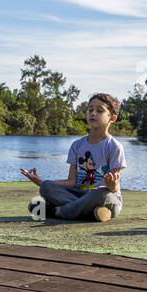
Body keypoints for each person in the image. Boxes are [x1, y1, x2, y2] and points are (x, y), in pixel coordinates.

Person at [21, 93, 125, 222]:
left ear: (112, 118)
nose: (93, 113)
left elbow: (113, 188)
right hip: (79, 194)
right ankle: (92, 213)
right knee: (46, 187)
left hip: (106, 198)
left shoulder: (114, 147)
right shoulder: (77, 145)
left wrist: (112, 184)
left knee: (100, 193)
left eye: (99, 111)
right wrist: (41, 182)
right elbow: (71, 181)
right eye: (90, 109)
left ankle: (57, 211)